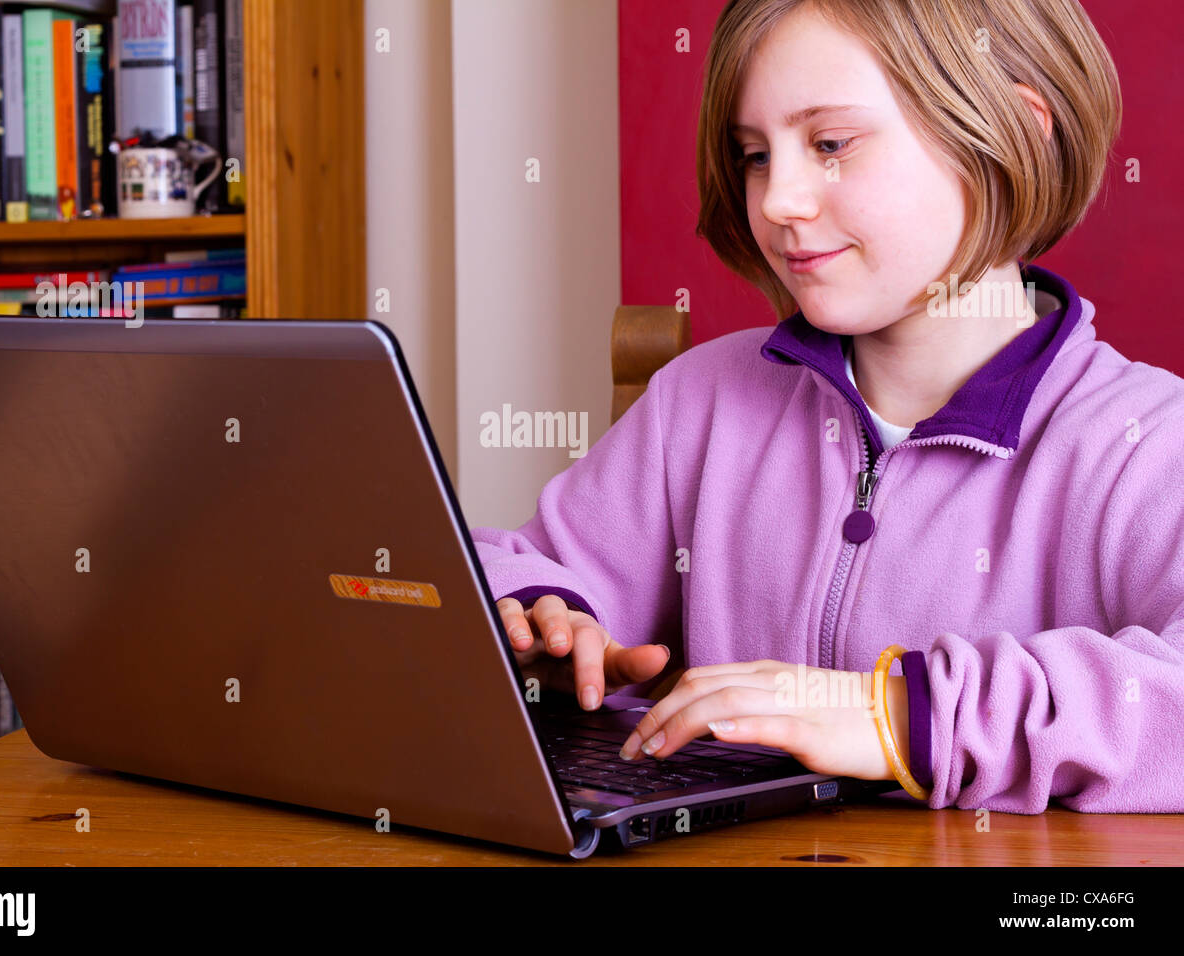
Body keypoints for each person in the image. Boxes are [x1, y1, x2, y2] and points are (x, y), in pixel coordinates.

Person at [471, 0, 1184, 812]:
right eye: (754, 156)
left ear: (1009, 132)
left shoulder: (1148, 443)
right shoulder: (698, 405)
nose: (778, 200)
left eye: (830, 144)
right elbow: (511, 570)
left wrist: (901, 715)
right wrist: (539, 622)